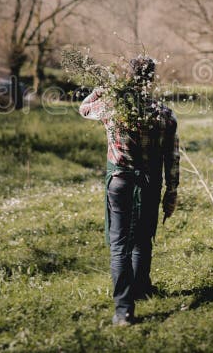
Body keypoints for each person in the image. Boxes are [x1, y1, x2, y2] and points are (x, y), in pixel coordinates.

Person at [78, 56, 180, 326]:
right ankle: (141, 288)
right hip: (149, 183)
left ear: (127, 77)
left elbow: (84, 108)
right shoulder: (164, 113)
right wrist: (172, 191)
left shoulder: (112, 106)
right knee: (143, 238)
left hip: (120, 182)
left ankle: (124, 309)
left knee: (119, 244)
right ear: (151, 80)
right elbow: (172, 157)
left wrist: (103, 88)